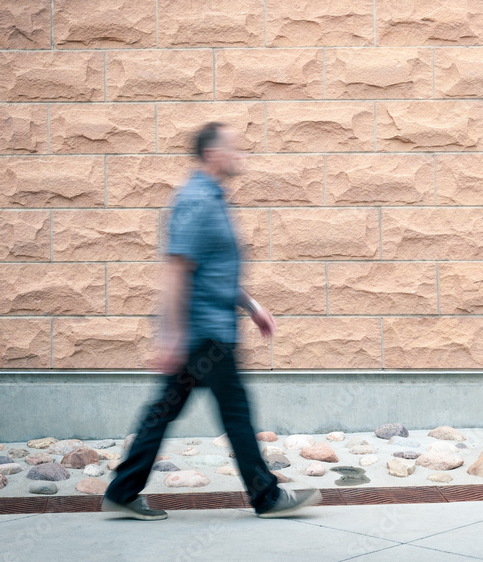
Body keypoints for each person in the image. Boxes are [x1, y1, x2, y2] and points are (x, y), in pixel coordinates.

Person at [102, 122, 321, 520]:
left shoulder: (214, 199)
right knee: (234, 413)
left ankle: (122, 490)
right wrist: (171, 337)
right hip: (204, 334)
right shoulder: (196, 200)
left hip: (209, 330)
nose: (241, 155)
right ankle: (267, 498)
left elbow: (216, 271)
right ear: (211, 154)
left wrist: (252, 306)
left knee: (165, 411)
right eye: (233, 148)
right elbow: (177, 270)